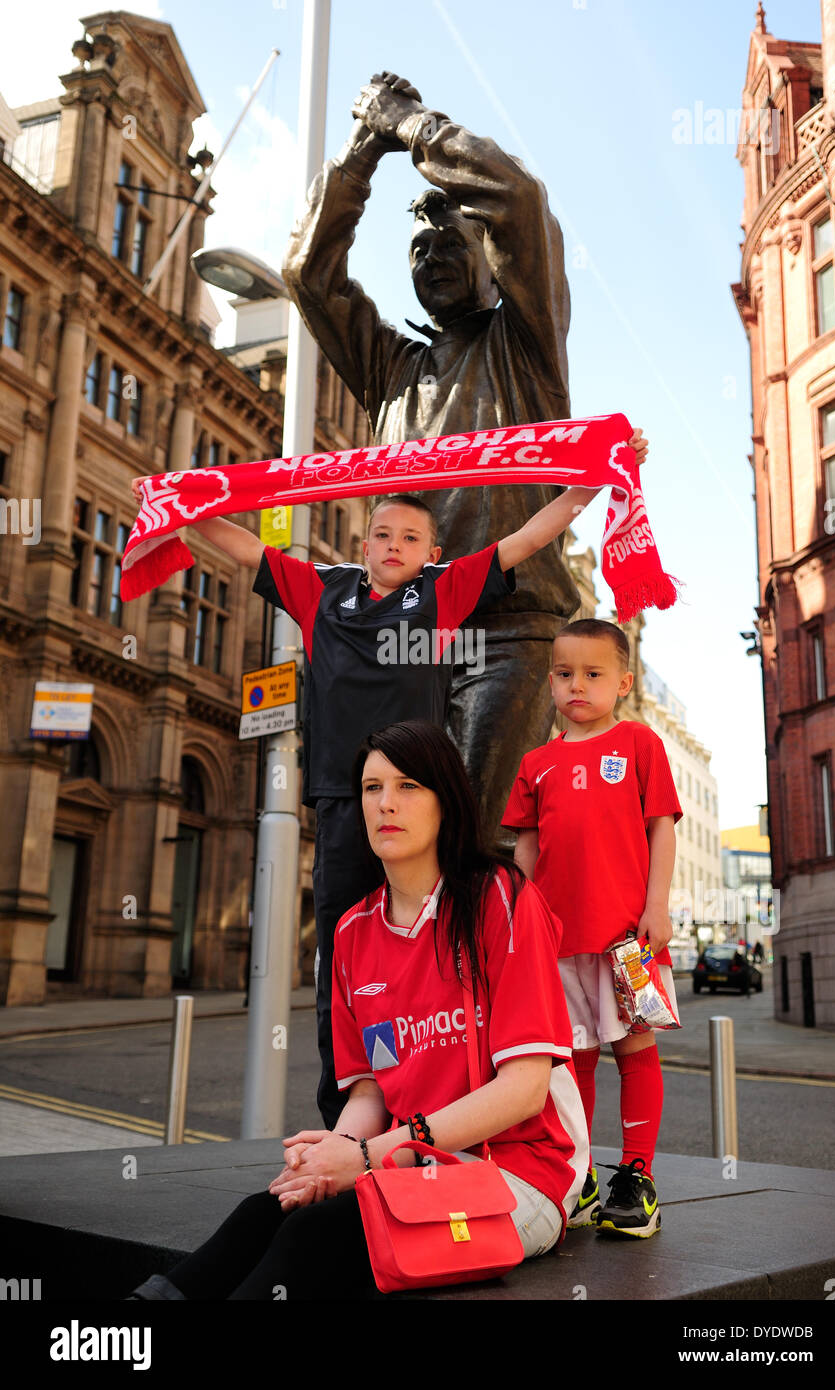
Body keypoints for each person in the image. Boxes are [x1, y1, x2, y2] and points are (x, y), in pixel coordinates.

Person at [130, 473, 618, 1129]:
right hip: (342, 798)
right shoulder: (321, 590)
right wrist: (174, 509)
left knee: (436, 952)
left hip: (422, 802)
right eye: (383, 534)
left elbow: (526, 537)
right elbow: (244, 549)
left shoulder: (442, 590)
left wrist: (590, 482)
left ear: (429, 550)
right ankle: (347, 1117)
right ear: (364, 545)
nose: (395, 545)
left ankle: (446, 1108)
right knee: (347, 958)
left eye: (410, 537)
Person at [281, 68, 648, 838]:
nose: (432, 254)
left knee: (468, 836)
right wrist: (359, 152)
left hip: (505, 631)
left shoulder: (525, 345)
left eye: (453, 241)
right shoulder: (390, 370)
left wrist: (411, 126)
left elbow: (519, 201)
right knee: (388, 835)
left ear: (492, 263)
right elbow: (306, 274)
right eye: (418, 246)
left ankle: (471, 956)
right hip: (403, 630)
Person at [127, 720, 588, 1301]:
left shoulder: (501, 896)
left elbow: (524, 1090)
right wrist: (330, 1158)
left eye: (408, 786)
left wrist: (368, 1158)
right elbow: (370, 1093)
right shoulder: (351, 932)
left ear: (447, 799)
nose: (386, 804)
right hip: (410, 1165)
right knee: (263, 1211)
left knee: (319, 1236)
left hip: (519, 1176)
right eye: (372, 788)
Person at [502, 619, 682, 1238]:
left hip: (626, 938)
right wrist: (516, 927)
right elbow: (525, 853)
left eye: (593, 673)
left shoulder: (638, 744)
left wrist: (657, 906)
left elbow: (662, 826)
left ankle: (637, 1178)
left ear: (624, 682)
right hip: (556, 942)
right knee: (571, 1064)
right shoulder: (536, 763)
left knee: (634, 1050)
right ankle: (576, 1176)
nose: (577, 685)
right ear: (551, 680)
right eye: (564, 673)